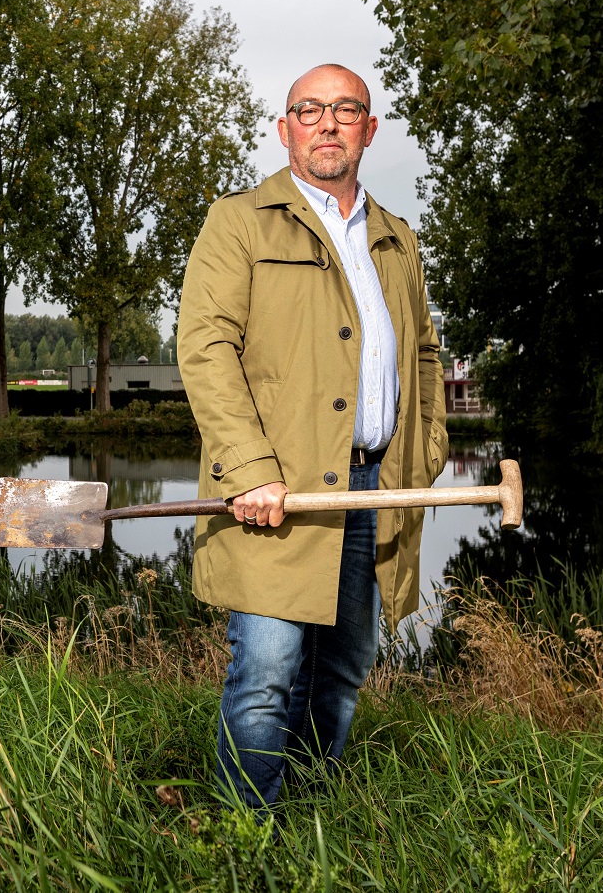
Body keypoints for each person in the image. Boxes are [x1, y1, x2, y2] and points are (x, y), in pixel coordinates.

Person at [176, 63, 447, 812]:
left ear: (370, 129)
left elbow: (423, 354)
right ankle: (245, 833)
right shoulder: (239, 222)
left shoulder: (399, 239)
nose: (327, 122)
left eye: (345, 109)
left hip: (374, 489)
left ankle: (313, 818)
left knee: (344, 669)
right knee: (266, 674)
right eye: (309, 109)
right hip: (279, 491)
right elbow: (204, 347)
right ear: (284, 128)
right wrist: (250, 471)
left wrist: (423, 457)